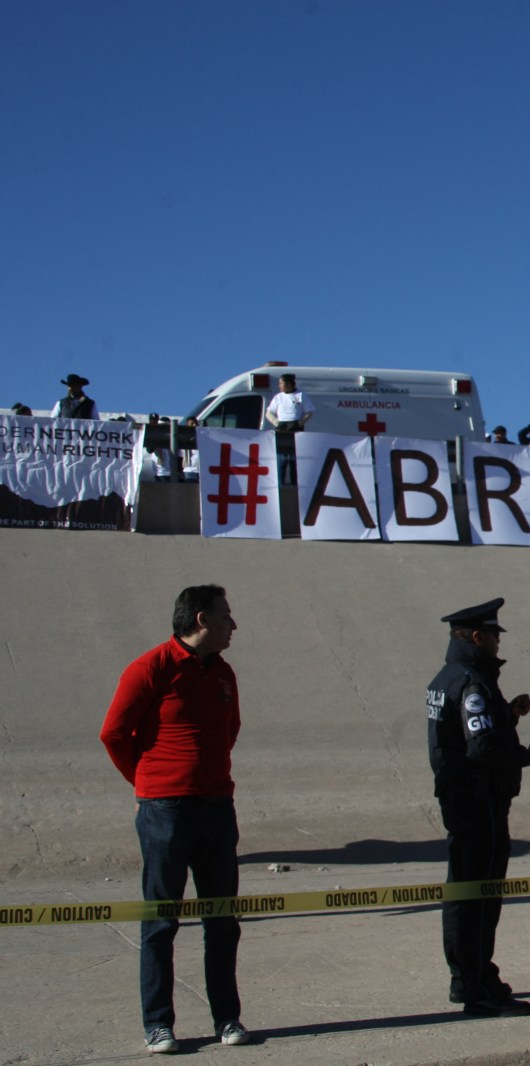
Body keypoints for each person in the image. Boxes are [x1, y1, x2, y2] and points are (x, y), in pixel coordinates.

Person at [100, 585, 250, 1054]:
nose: (234, 625)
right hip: (164, 811)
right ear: (202, 619)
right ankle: (158, 1024)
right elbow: (114, 734)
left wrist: (205, 778)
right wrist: (148, 784)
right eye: (227, 616)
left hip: (216, 809)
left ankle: (227, 1018)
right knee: (162, 922)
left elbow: (230, 732)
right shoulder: (150, 668)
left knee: (222, 920)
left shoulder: (224, 674)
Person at [425, 597, 530, 1016]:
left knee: (468, 892)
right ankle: (475, 984)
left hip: (464, 799)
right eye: (493, 635)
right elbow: (481, 747)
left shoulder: (447, 678)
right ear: (477, 637)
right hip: (479, 803)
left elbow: (467, 735)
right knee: (478, 895)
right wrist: (525, 757)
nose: (498, 642)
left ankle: (473, 977)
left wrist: (508, 714)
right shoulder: (473, 682)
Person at [264, 373, 315, 487]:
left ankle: (294, 484)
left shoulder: (300, 395)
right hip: (282, 428)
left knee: (294, 459)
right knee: (282, 458)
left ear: (288, 383)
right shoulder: (278, 397)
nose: (279, 386)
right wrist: (276, 422)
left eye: (281, 383)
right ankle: (280, 484)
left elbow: (310, 411)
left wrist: (301, 422)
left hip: (295, 428)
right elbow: (269, 412)